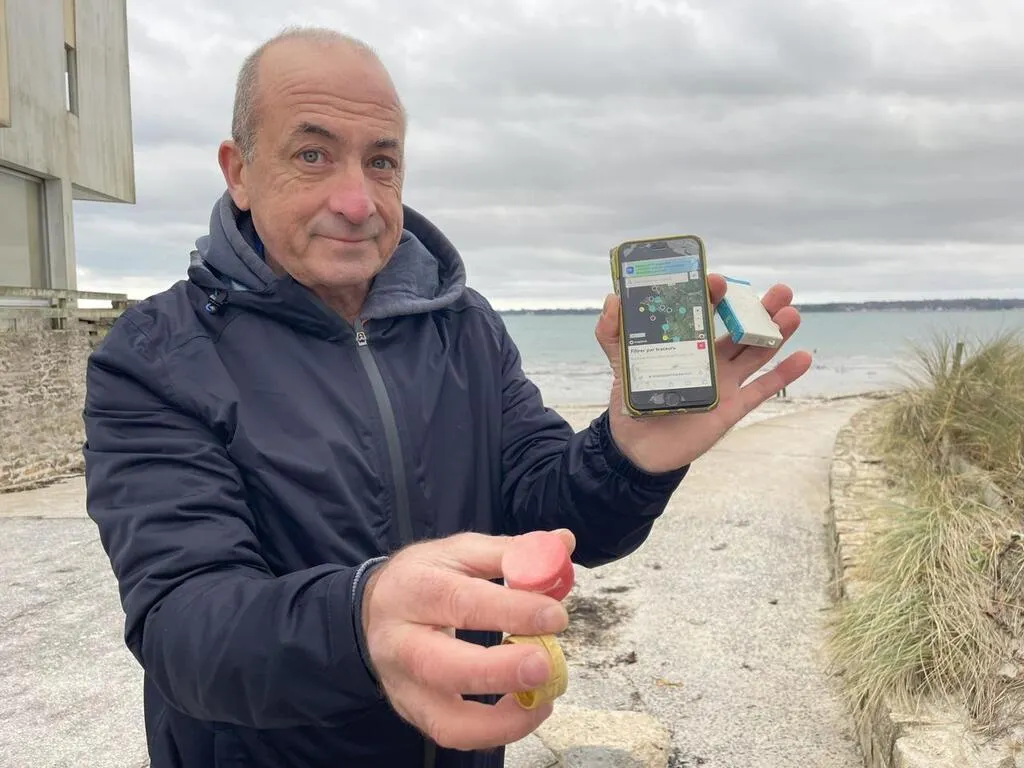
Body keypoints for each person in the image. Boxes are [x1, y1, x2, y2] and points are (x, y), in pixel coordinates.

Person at [82, 27, 811, 768]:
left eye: (382, 161)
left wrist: (628, 456)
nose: (357, 201)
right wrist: (363, 619)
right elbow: (185, 627)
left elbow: (551, 519)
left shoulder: (462, 326)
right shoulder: (153, 358)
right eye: (312, 154)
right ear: (238, 171)